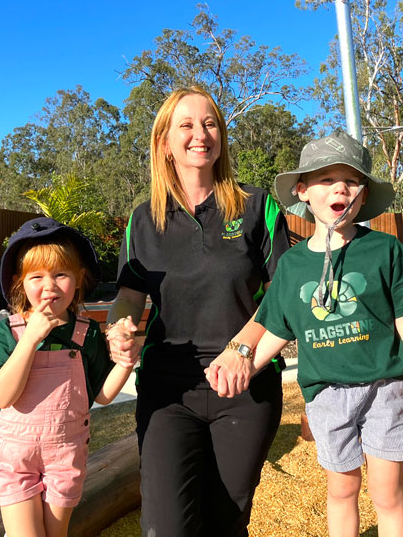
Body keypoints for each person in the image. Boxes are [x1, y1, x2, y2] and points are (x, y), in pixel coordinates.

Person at [106, 85, 290, 536]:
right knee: (166, 527)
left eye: (210, 124)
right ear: (165, 143)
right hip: (168, 391)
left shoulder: (257, 206)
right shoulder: (143, 220)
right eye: (186, 125)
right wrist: (119, 327)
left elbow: (285, 294)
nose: (200, 134)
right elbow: (129, 296)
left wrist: (242, 350)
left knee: (225, 523)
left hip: (246, 386)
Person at [248, 132, 403, 536]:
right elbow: (278, 329)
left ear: (363, 194)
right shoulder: (292, 264)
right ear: (303, 191)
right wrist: (243, 368)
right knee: (342, 490)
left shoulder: (385, 250)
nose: (340, 188)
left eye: (352, 181)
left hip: (386, 389)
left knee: (387, 494)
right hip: (326, 395)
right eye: (326, 179)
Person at [0, 217, 137, 537]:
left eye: (61, 274)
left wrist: (125, 362)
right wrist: (30, 339)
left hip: (66, 455)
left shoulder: (86, 333)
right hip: (17, 458)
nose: (49, 286)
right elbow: (1, 397)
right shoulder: (8, 333)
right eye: (37, 276)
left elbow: (102, 395)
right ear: (20, 283)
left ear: (79, 279)